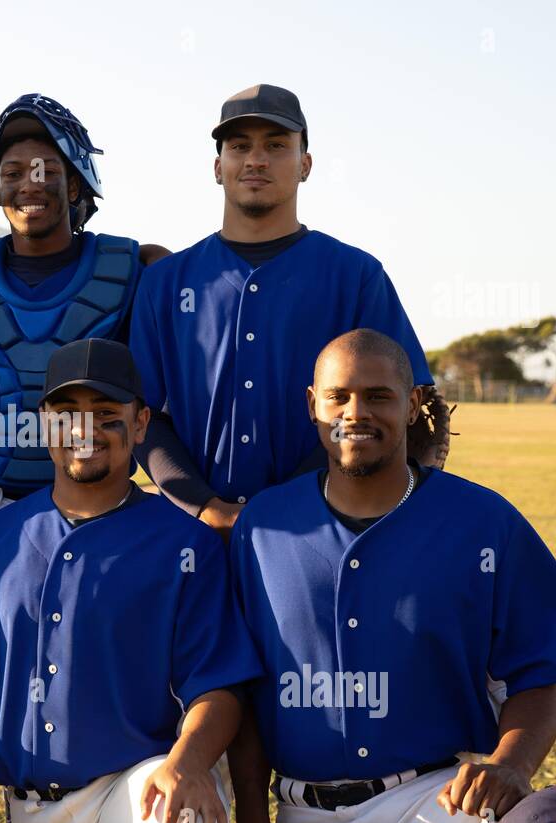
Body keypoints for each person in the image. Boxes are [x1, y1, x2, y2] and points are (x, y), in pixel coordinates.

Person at [228, 329, 556, 823]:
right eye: (338, 396)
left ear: (411, 406)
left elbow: (537, 674)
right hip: (301, 820)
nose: (355, 412)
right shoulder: (263, 525)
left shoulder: (483, 521)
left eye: (379, 396)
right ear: (313, 405)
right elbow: (240, 693)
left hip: (434, 806)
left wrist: (511, 764)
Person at [0, 338, 261, 823]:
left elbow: (217, 686)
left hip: (139, 787)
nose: (84, 430)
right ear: (44, 423)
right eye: (66, 413)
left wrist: (191, 763)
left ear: (141, 422)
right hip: (36, 810)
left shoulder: (185, 543)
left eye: (107, 414)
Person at [129, 84, 452, 540]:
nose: (256, 159)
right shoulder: (166, 282)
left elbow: (397, 402)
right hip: (192, 533)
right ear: (218, 167)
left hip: (324, 527)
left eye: (276, 145)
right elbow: (143, 417)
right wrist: (205, 508)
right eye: (240, 146)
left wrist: (292, 501)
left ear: (305, 164)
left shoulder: (355, 275)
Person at [0, 94, 167, 524]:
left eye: (46, 171)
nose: (29, 184)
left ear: (75, 184)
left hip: (102, 506)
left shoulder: (131, 272)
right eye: (13, 173)